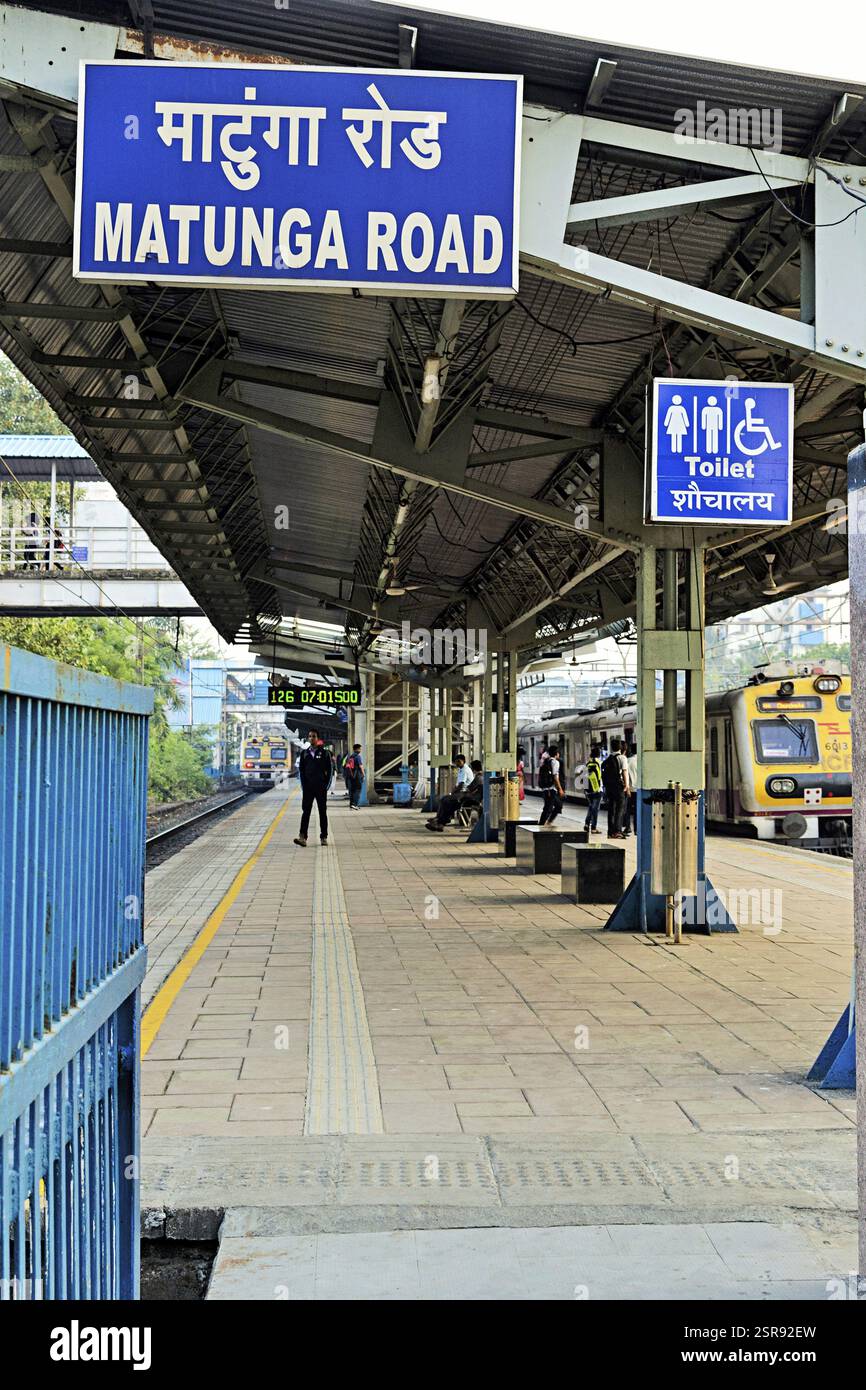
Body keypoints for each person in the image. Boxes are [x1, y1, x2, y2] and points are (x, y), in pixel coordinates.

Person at [293, 729, 333, 847]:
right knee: (306, 812)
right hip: (308, 789)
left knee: (322, 812)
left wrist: (326, 786)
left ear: (318, 738)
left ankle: (324, 837)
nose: (311, 738)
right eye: (310, 736)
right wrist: (304, 786)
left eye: (314, 736)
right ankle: (302, 837)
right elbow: (301, 771)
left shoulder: (325, 753)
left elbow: (330, 770)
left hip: (321, 788)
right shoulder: (304, 753)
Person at [426, 759, 483, 831]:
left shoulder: (478, 778)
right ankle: (440, 821)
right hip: (471, 798)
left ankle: (440, 822)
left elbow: (469, 789)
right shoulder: (481, 777)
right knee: (447, 800)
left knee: (446, 800)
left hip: (469, 799)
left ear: (473, 768)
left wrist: (458, 793)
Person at [602, 737, 628, 839]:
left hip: (609, 787)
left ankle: (610, 831)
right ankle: (617, 831)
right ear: (620, 747)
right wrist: (626, 785)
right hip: (618, 786)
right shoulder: (622, 758)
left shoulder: (608, 759)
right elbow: (625, 772)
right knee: (620, 808)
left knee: (611, 808)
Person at [538, 743, 564, 827]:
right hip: (551, 789)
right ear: (557, 754)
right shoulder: (555, 762)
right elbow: (555, 777)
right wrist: (560, 789)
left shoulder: (546, 761)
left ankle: (547, 822)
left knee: (557, 806)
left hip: (546, 788)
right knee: (548, 808)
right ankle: (542, 824)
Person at [584, 744, 603, 834]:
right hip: (597, 789)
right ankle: (594, 828)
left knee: (591, 807)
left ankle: (587, 824)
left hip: (588, 789)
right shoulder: (599, 763)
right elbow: (600, 776)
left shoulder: (588, 763)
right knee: (595, 809)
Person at [343, 742, 365, 808]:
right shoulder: (358, 757)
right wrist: (363, 774)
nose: (360, 750)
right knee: (357, 790)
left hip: (350, 776)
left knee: (351, 790)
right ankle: (355, 804)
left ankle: (351, 804)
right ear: (357, 749)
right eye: (360, 749)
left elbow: (344, 766)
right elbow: (360, 766)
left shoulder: (349, 757)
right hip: (357, 776)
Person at [626, 743, 638, 837]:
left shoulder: (628, 761)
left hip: (629, 789)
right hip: (639, 790)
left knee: (627, 809)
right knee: (637, 811)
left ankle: (627, 827)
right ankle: (637, 829)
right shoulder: (642, 761)